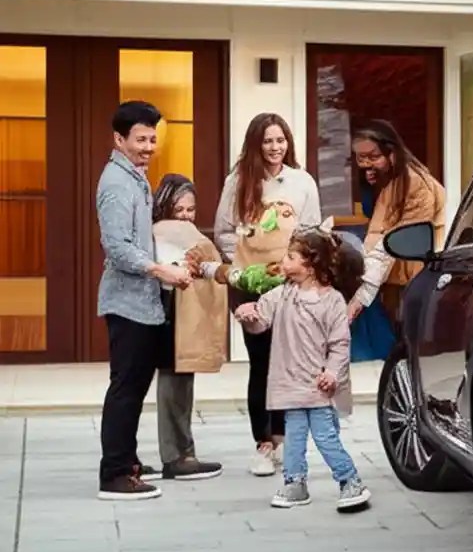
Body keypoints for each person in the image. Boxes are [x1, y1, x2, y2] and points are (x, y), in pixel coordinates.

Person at [233, 225, 371, 510]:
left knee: (324, 435)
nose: (284, 262)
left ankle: (349, 480)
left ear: (310, 265)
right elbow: (261, 321)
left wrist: (332, 373)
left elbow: (339, 344)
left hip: (318, 386)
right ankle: (294, 483)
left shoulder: (332, 301)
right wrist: (248, 317)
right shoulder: (281, 295)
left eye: (291, 257)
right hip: (288, 384)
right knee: (293, 437)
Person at [213, 113, 321, 476]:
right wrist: (248, 266)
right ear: (256, 145)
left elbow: (312, 232)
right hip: (250, 287)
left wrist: (293, 266)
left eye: (281, 140)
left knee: (289, 363)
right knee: (261, 363)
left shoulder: (302, 182)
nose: (275, 148)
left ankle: (283, 439)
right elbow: (224, 232)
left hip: (290, 284)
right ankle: (262, 444)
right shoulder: (238, 181)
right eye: (268, 142)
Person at [96, 101, 193, 501]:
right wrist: (161, 270)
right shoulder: (117, 184)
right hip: (127, 302)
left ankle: (128, 461)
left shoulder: (136, 177)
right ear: (119, 140)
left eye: (153, 139)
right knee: (125, 387)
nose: (149, 146)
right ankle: (115, 474)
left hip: (143, 302)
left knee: (134, 386)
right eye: (140, 139)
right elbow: (117, 247)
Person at [150, 174, 223, 481]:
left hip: (185, 313)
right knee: (173, 383)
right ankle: (177, 456)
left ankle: (183, 451)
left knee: (183, 382)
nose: (184, 216)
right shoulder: (154, 235)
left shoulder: (191, 237)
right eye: (178, 209)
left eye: (190, 210)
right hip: (164, 313)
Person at [346, 119, 446, 327]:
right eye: (361, 158)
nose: (366, 165)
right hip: (392, 280)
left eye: (373, 157)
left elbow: (392, 243)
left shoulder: (416, 185)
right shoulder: (390, 182)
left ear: (392, 153)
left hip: (414, 283)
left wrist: (359, 299)